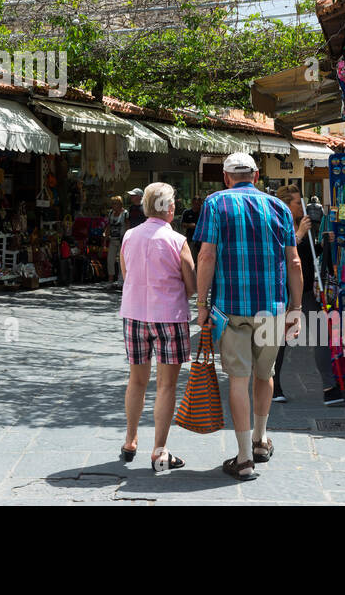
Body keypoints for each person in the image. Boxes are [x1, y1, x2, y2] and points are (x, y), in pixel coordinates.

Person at [193, 153, 303, 482]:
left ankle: (243, 458)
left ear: (226, 178)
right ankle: (261, 439)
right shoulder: (280, 208)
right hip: (271, 309)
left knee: (238, 381)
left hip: (231, 309)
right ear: (256, 175)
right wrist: (296, 309)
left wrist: (201, 305)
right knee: (264, 374)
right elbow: (295, 262)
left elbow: (207, 255)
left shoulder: (215, 204)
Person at [119, 182, 196, 472]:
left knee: (136, 380)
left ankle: (130, 440)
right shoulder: (177, 241)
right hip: (170, 317)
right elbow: (190, 285)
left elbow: (127, 274)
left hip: (134, 314)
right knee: (166, 385)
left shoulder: (129, 236)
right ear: (171, 208)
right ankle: (159, 450)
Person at [270, 185, 345, 406]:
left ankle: (330, 390)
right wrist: (299, 233)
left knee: (321, 334)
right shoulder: (278, 224)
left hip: (307, 290)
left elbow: (309, 254)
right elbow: (280, 254)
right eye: (296, 203)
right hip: (284, 292)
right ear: (285, 204)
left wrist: (323, 245)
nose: (301, 206)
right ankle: (273, 387)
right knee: (280, 341)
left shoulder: (307, 225)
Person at [105, 195, 127, 289]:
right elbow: (108, 226)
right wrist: (105, 239)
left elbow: (128, 226)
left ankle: (120, 280)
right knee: (110, 260)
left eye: (115, 203)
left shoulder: (125, 213)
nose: (113, 205)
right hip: (112, 240)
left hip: (121, 240)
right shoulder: (111, 213)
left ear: (120, 204)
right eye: (112, 203)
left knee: (120, 261)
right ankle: (110, 280)